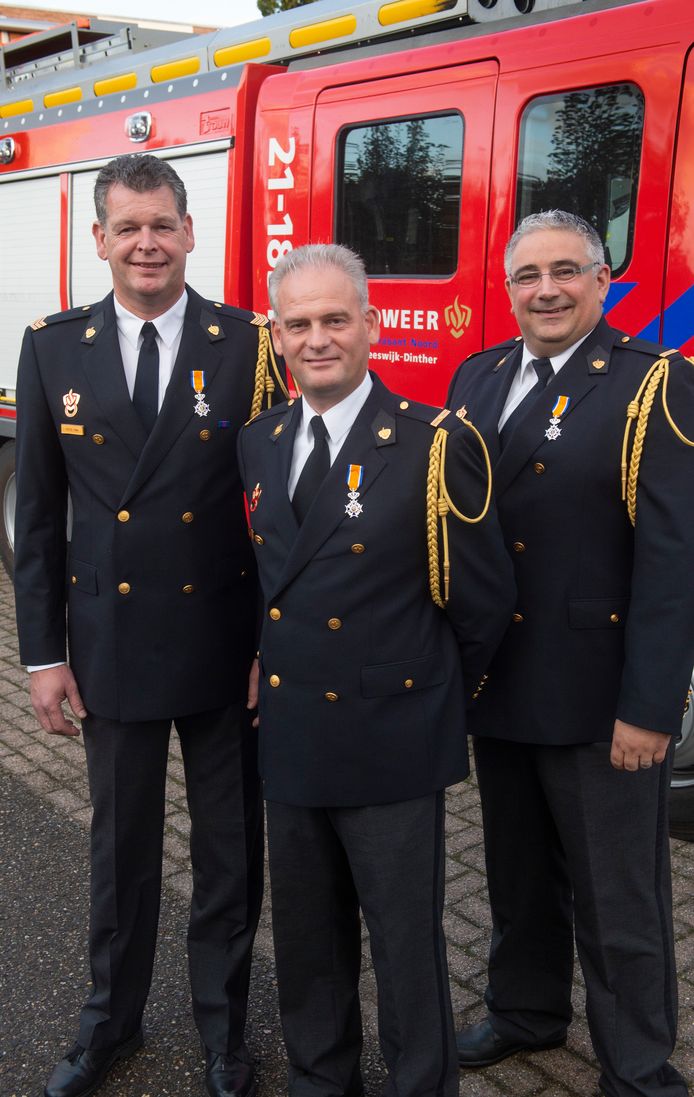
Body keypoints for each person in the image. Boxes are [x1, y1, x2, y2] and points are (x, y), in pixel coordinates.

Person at [14, 153, 285, 1097]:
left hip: (221, 647)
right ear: (99, 239)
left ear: (189, 231)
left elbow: (276, 507)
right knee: (121, 852)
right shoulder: (52, 347)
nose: (146, 242)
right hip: (112, 645)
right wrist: (43, 653)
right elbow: (39, 520)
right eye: (127, 226)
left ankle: (223, 1030)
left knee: (228, 854)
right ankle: (109, 1023)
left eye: (161, 223)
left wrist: (269, 645)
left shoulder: (248, 344)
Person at [237, 242, 515, 1097]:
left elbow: (484, 603)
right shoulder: (258, 440)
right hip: (291, 735)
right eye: (298, 324)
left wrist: (425, 693)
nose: (316, 339)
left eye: (334, 320)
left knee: (404, 942)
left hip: (391, 737)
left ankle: (420, 1083)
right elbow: (266, 581)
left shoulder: (434, 441)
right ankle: (321, 1077)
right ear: (278, 336)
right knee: (309, 937)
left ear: (372, 324)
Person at [447, 210, 694, 1097]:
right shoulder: (475, 378)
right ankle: (526, 1010)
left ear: (602, 279)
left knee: (619, 896)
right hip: (501, 681)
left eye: (565, 271)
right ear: (507, 288)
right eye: (526, 275)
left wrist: (651, 707)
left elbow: (674, 564)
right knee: (515, 869)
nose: (545, 289)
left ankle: (636, 1063)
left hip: (600, 699)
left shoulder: (653, 384)